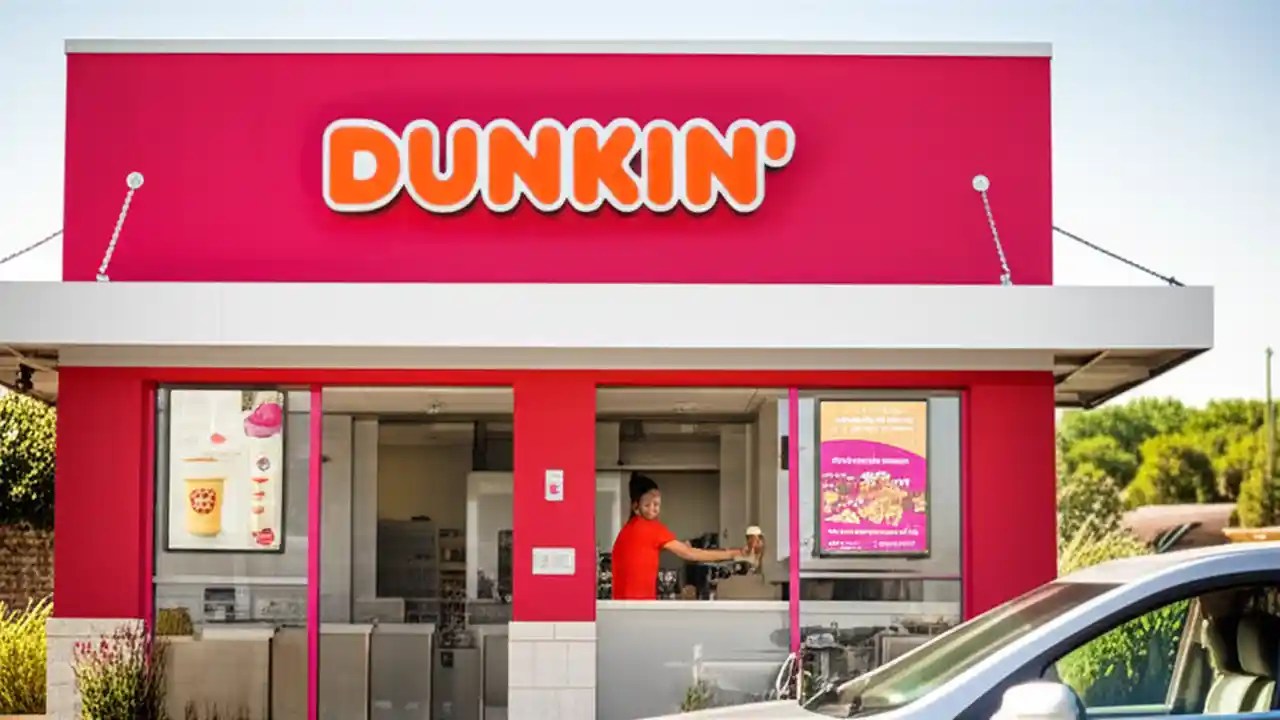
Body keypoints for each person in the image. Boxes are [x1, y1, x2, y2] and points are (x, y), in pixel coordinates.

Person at [611, 473, 745, 600]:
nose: (653, 509)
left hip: (619, 604)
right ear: (635, 507)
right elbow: (690, 554)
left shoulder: (626, 531)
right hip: (640, 605)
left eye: (656, 504)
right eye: (647, 505)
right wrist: (736, 553)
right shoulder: (652, 528)